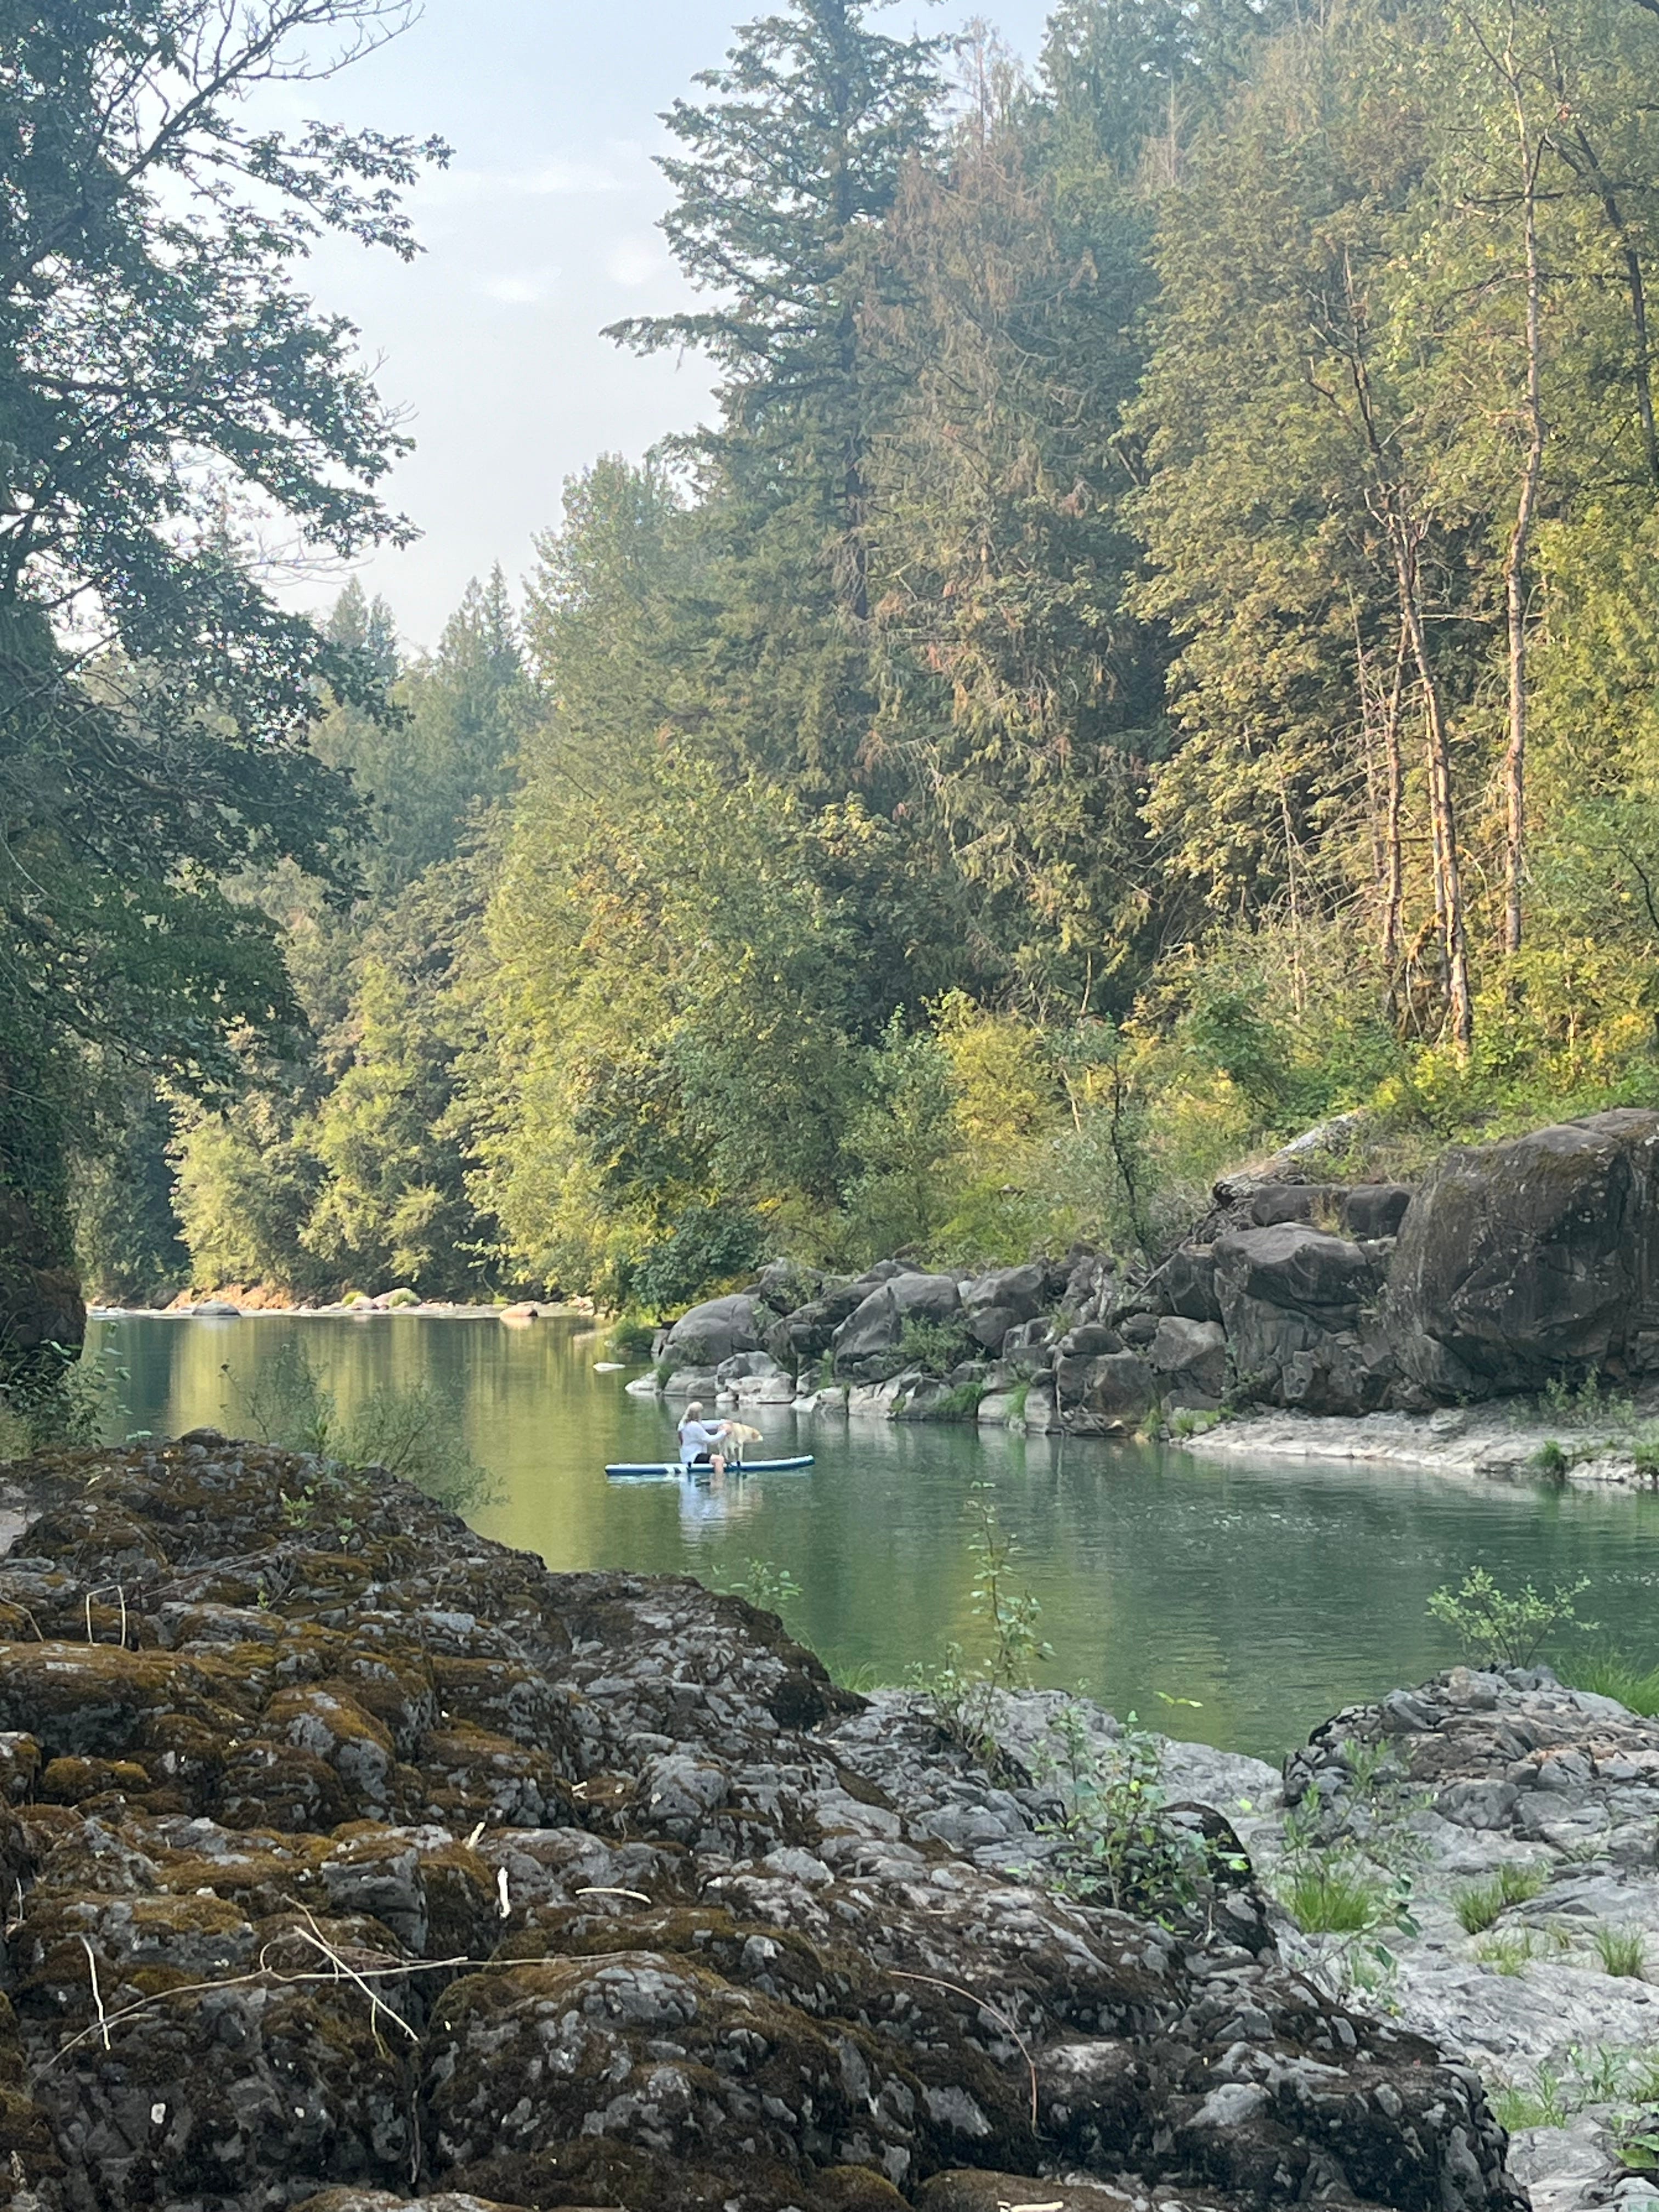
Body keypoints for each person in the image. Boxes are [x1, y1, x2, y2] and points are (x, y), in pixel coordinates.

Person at [676, 1401, 729, 1477]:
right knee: (719, 1459)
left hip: (687, 1456)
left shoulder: (684, 1423)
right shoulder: (694, 1426)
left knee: (713, 1459)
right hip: (694, 1457)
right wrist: (724, 1432)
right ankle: (719, 1482)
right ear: (698, 1414)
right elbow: (710, 1440)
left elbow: (706, 1424)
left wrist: (723, 1422)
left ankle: (713, 1480)